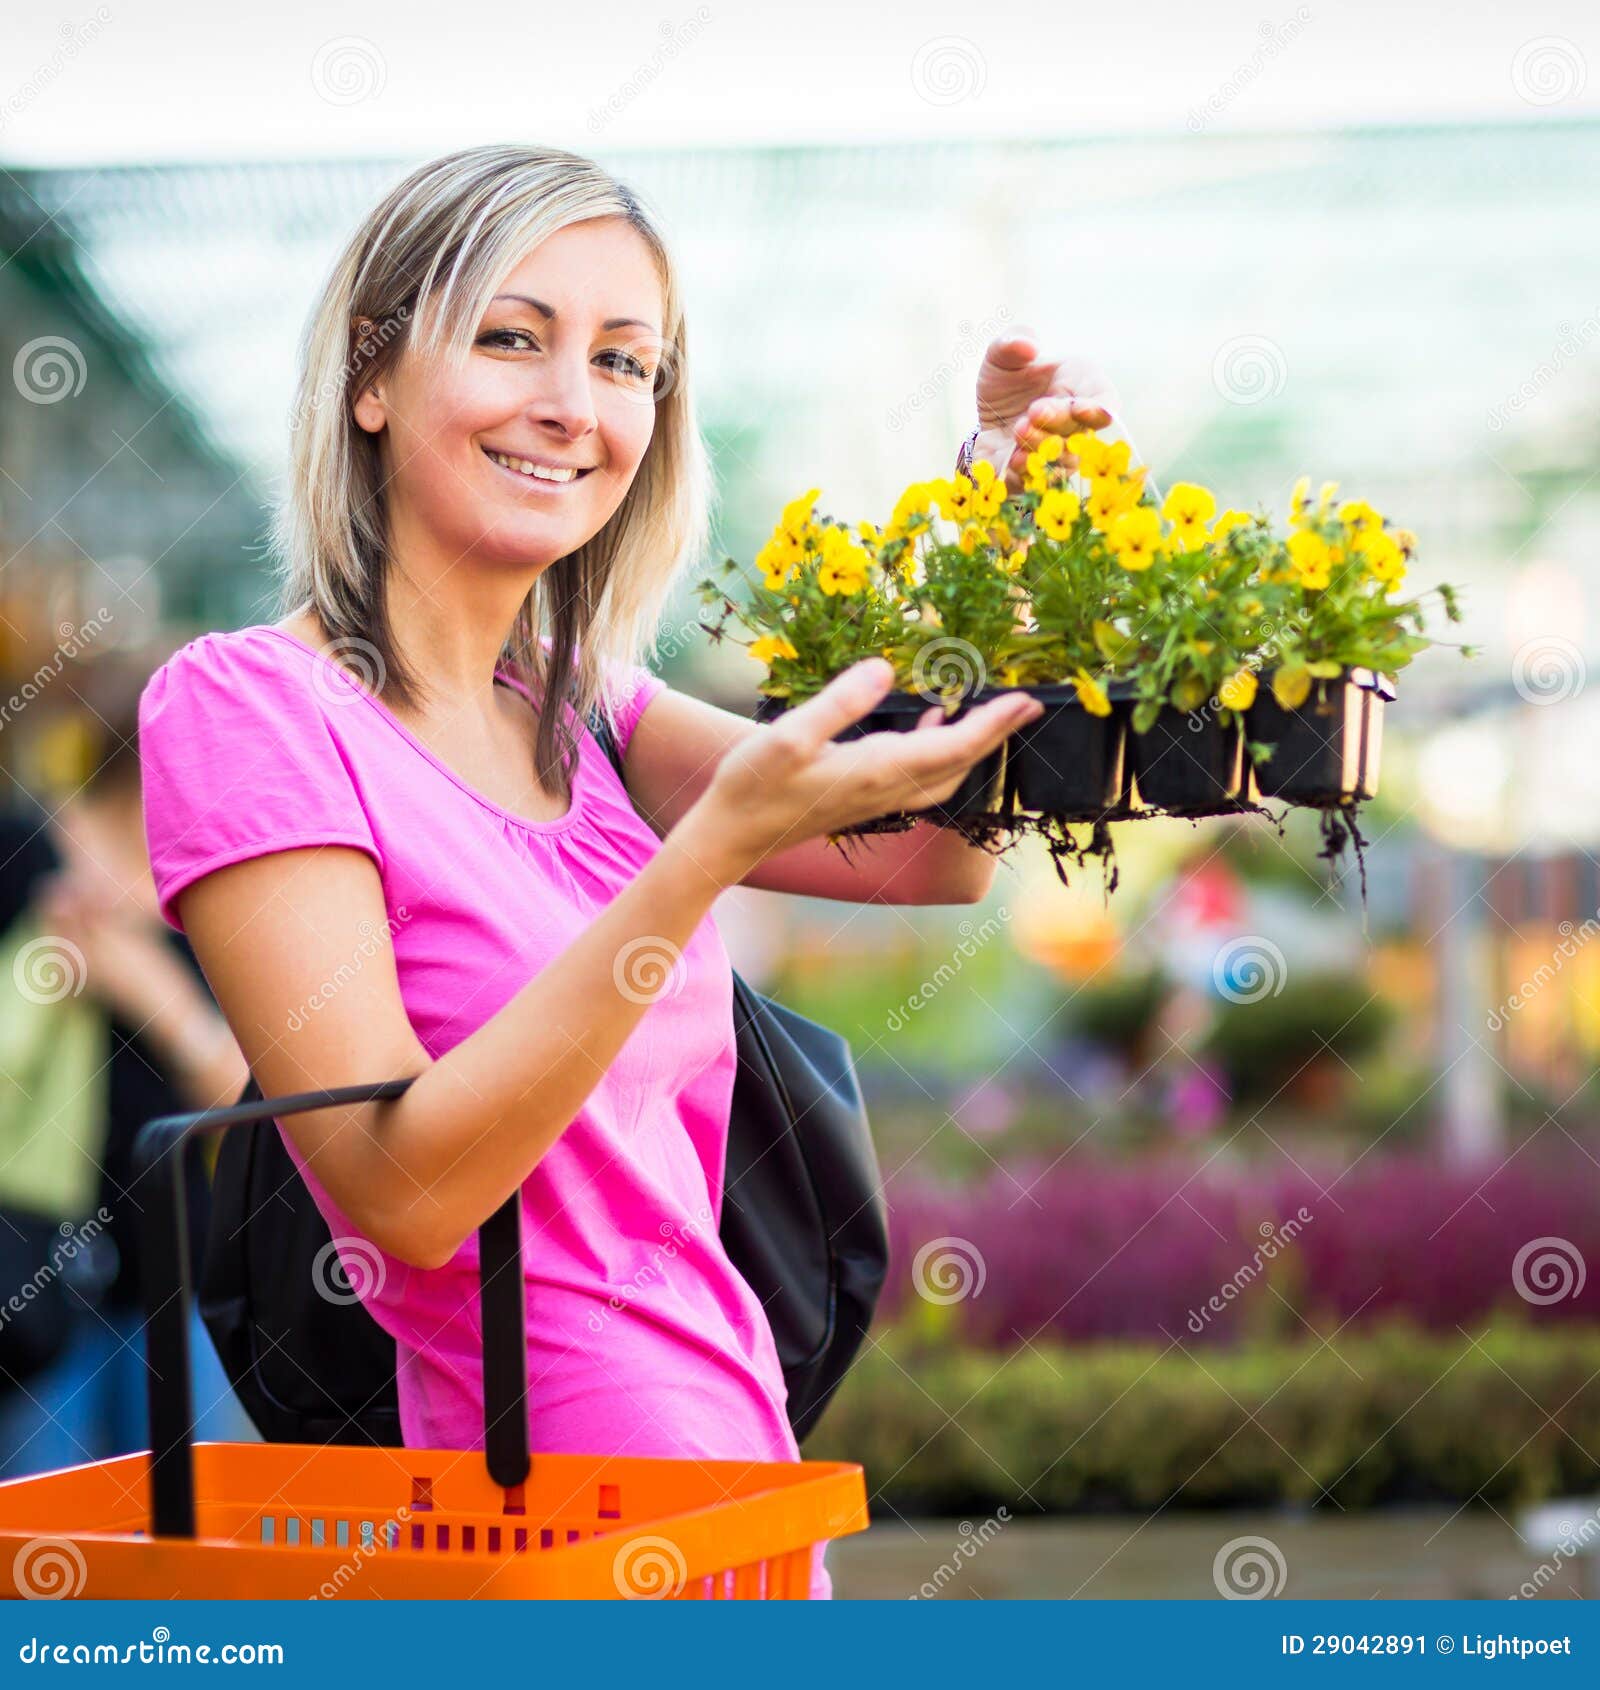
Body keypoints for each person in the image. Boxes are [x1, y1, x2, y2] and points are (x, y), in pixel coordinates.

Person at [136, 143, 1113, 1598]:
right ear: (372, 376)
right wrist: (696, 864)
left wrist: (1011, 530)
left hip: (733, 1465)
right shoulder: (248, 710)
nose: (572, 404)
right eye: (511, 337)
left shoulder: (583, 705)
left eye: (624, 361)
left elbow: (929, 855)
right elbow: (402, 1200)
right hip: (524, 1523)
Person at [0, 667, 256, 1477]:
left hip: (179, 1280)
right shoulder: (25, 862)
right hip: (35, 1277)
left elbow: (248, 1095)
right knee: (45, 1525)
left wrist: (150, 990)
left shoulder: (231, 890)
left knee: (191, 1523)